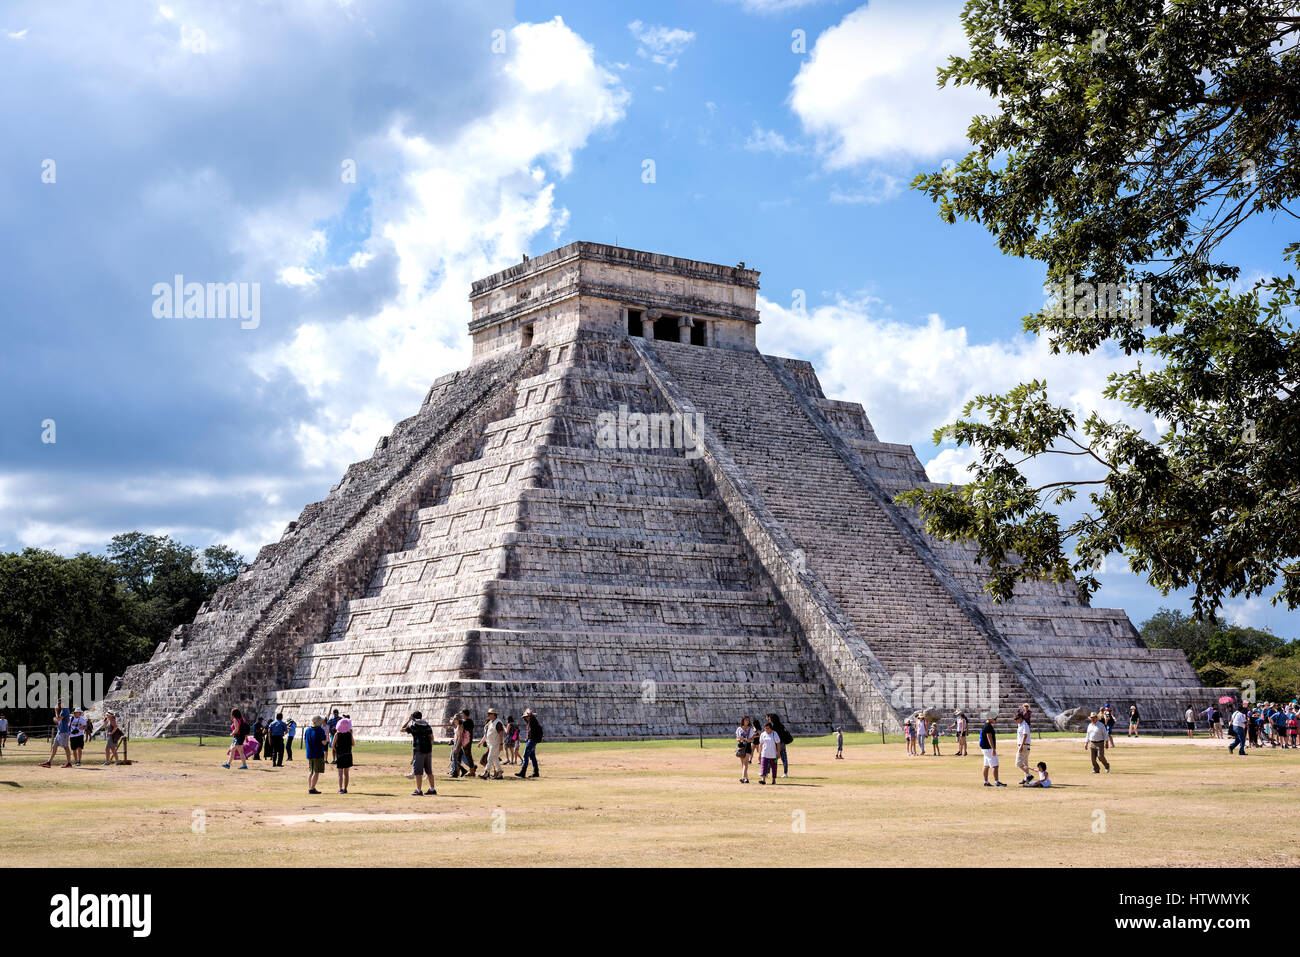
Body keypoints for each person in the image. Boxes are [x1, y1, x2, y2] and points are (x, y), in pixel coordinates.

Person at [401, 710, 436, 795]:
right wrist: (428, 746)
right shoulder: (427, 725)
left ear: (413, 718)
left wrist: (409, 720)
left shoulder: (414, 726)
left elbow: (402, 729)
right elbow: (432, 738)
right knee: (429, 771)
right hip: (428, 751)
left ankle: (419, 790)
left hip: (419, 751)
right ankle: (432, 789)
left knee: (418, 772)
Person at [41, 703, 73, 768]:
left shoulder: (65, 710)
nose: (58, 705)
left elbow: (58, 719)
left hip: (64, 732)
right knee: (54, 746)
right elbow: (59, 720)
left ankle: (69, 763)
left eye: (59, 704)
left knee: (66, 747)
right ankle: (49, 762)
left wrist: (55, 711)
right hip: (60, 732)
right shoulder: (63, 710)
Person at [303, 716, 328, 795]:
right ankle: (312, 788)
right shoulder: (320, 730)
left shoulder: (307, 730)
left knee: (311, 772)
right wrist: (326, 738)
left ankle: (310, 787)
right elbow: (324, 742)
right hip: (318, 753)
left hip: (310, 753)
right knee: (316, 772)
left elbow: (305, 741)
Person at [515, 708, 541, 778]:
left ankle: (523, 772)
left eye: (526, 717)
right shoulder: (529, 723)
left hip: (532, 741)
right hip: (531, 741)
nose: (525, 718)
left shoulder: (533, 721)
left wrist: (528, 712)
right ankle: (536, 772)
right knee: (532, 757)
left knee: (525, 755)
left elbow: (530, 712)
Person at [979, 714, 1004, 786]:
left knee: (986, 765)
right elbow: (989, 737)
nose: (995, 720)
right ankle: (997, 782)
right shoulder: (988, 726)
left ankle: (986, 782)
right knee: (995, 765)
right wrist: (993, 748)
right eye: (994, 719)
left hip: (985, 749)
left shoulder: (985, 725)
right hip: (989, 748)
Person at [479, 708, 505, 780]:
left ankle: (486, 772)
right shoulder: (491, 722)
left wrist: (501, 744)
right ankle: (499, 772)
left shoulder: (498, 722)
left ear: (494, 714)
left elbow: (501, 733)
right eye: (488, 714)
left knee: (490, 758)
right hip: (491, 743)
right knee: (495, 759)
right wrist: (481, 742)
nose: (488, 715)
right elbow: (487, 734)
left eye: (490, 714)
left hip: (495, 743)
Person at [766, 712, 791, 777]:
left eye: (770, 718)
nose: (769, 719)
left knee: (771, 758)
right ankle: (785, 773)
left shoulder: (773, 727)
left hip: (776, 744)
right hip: (782, 744)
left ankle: (767, 772)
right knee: (784, 759)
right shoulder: (781, 725)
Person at [332, 715, 354, 793]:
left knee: (340, 773)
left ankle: (340, 788)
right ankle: (345, 789)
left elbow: (332, 745)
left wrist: (337, 751)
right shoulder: (349, 734)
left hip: (340, 754)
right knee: (346, 773)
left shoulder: (337, 734)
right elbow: (353, 744)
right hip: (348, 754)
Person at [1015, 709, 1032, 783]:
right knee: (1025, 763)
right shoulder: (1020, 724)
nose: (1016, 721)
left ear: (1021, 718)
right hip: (1024, 745)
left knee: (1018, 763)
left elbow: (1025, 736)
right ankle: (1026, 779)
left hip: (1024, 745)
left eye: (1017, 719)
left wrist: (1021, 746)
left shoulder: (1024, 725)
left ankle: (1029, 775)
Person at [736, 715, 755, 782]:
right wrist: (739, 739)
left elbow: (752, 740)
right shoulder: (739, 729)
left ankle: (742, 778)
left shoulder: (751, 729)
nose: (747, 721)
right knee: (743, 763)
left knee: (745, 763)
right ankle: (746, 778)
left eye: (748, 720)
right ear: (743, 721)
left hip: (747, 746)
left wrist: (747, 740)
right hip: (741, 746)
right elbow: (737, 738)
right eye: (746, 720)